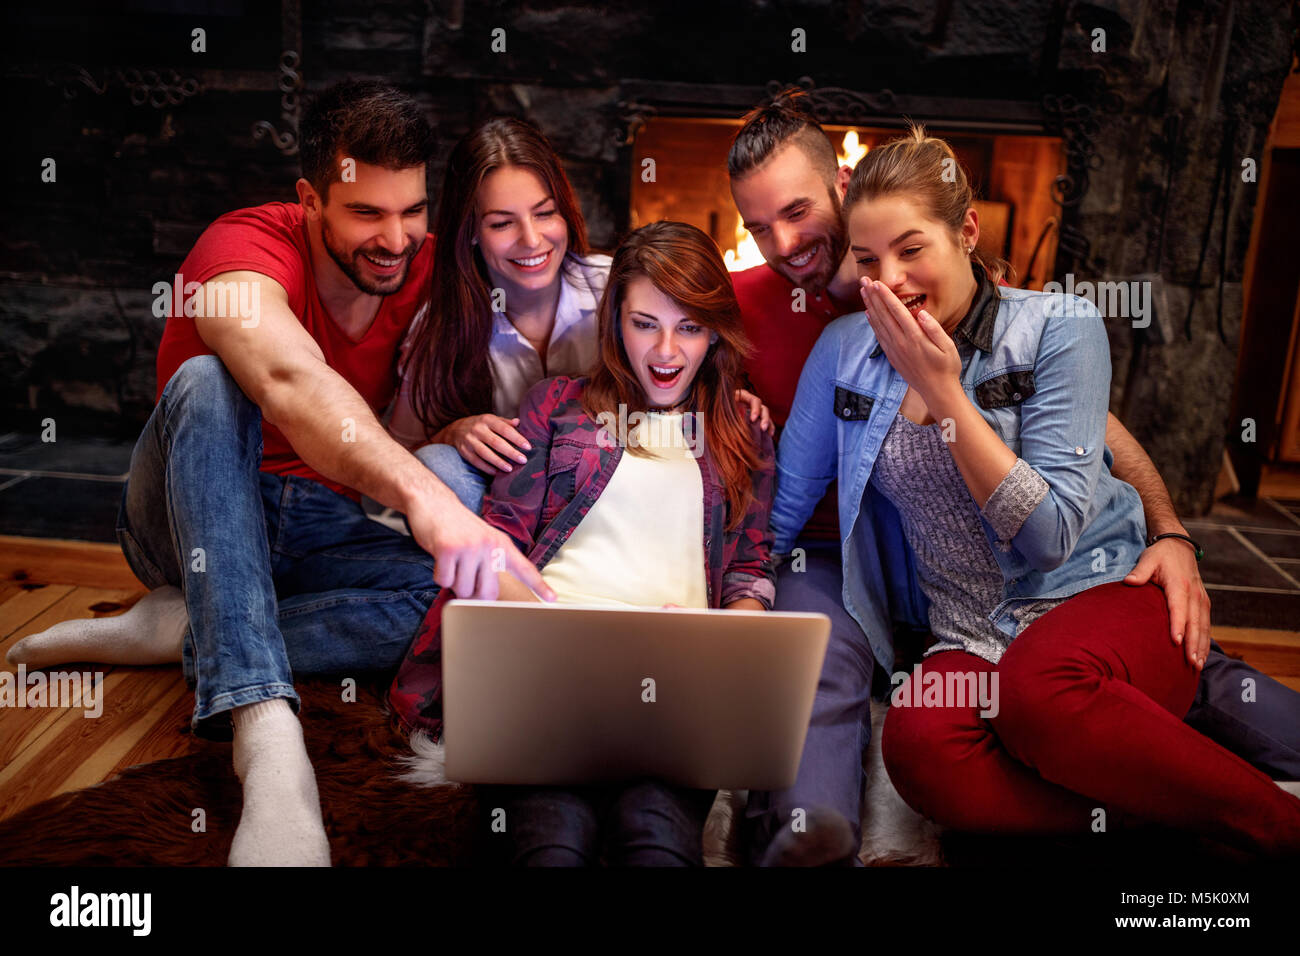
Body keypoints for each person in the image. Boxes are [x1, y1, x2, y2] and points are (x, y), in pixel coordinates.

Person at [726, 89, 1300, 864]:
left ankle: (1274, 825)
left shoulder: (1056, 326)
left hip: (1088, 591)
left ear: (965, 232)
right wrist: (710, 593)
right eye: (869, 261)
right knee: (920, 741)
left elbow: (1052, 534)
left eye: (910, 249)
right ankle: (1160, 810)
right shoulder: (843, 344)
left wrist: (945, 395)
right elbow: (782, 506)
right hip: (963, 625)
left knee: (1047, 691)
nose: (889, 278)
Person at [6, 80, 551, 866]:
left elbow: (561, 283)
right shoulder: (241, 249)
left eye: (412, 211)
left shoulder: (427, 267)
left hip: (316, 528)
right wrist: (426, 498)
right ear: (310, 199)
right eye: (366, 213)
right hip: (192, 518)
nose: (395, 239)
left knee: (460, 601)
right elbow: (293, 385)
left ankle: (193, 630)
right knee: (209, 379)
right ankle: (267, 743)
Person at [388, 220, 777, 866]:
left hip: (675, 690)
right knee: (552, 841)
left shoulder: (745, 434)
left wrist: (723, 647)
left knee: (655, 839)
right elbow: (497, 546)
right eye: (645, 322)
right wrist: (558, 632)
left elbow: (748, 569)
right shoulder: (555, 407)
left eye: (690, 327)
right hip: (548, 672)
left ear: (715, 332)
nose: (667, 350)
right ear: (614, 321)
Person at [387, 117, 769, 513]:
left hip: (617, 499)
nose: (532, 240)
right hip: (512, 513)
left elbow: (686, 348)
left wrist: (724, 395)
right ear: (470, 231)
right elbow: (397, 458)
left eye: (544, 213)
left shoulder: (617, 290)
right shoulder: (442, 327)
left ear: (565, 212)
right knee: (438, 465)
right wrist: (451, 433)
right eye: (502, 223)